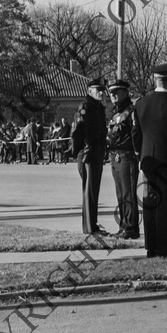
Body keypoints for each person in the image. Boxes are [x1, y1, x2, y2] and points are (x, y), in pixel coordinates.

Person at [131, 63, 167, 258]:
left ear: (155, 79)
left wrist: (139, 156)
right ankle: (166, 246)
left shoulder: (141, 103)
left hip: (146, 160)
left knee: (149, 203)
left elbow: (135, 134)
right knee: (166, 205)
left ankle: (151, 246)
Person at [71, 77, 109, 236]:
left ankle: (91, 225)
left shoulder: (98, 107)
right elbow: (77, 131)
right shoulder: (86, 107)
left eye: (102, 90)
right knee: (89, 190)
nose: (101, 93)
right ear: (89, 91)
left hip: (96, 152)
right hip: (88, 153)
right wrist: (82, 149)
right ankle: (89, 228)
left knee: (93, 190)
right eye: (97, 90)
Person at [107, 79, 140, 240]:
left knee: (128, 193)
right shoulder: (116, 113)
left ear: (125, 93)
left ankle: (131, 227)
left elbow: (136, 136)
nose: (112, 95)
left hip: (127, 156)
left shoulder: (131, 111)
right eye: (111, 93)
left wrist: (138, 155)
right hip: (115, 156)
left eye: (116, 92)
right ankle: (124, 225)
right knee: (120, 194)